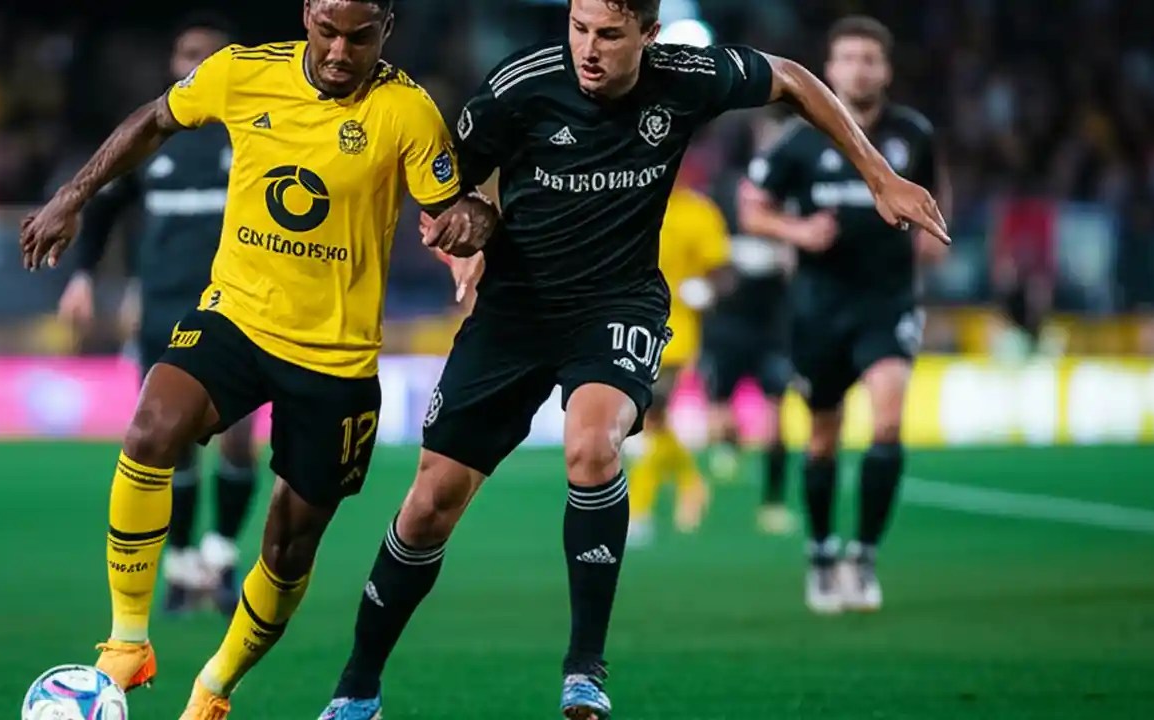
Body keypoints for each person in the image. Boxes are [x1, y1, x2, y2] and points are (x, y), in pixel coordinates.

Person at [319, 1, 947, 718]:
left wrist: (877, 176)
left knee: (592, 447)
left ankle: (584, 668)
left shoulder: (687, 77)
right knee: (430, 504)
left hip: (617, 305)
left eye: (610, 35)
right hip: (515, 314)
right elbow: (453, 186)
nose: (589, 49)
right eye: (579, 29)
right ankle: (358, 687)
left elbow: (795, 79)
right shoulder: (518, 85)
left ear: (648, 36)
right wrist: (468, 229)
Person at [18, 1, 497, 718]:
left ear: (386, 31)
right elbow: (153, 119)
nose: (340, 50)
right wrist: (72, 195)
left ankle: (215, 687)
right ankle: (127, 641)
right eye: (328, 30)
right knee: (153, 424)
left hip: (335, 359)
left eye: (360, 37)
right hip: (237, 317)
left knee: (289, 544)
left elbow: (457, 205)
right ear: (307, 14)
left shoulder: (407, 110)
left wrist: (473, 224)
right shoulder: (242, 74)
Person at [738, 15, 951, 615]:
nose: (858, 69)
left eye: (869, 59)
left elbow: (934, 188)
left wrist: (933, 232)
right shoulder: (802, 141)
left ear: (886, 69)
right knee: (824, 437)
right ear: (827, 70)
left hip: (886, 302)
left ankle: (863, 555)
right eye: (847, 59)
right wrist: (797, 230)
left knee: (887, 423)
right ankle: (822, 552)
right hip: (818, 307)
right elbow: (752, 209)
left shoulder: (913, 134)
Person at [57, 13, 258, 615]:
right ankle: (181, 562)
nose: (193, 65)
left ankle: (220, 555)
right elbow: (103, 209)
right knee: (173, 443)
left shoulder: (251, 135)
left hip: (236, 308)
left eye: (206, 55)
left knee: (240, 439)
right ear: (172, 63)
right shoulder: (153, 138)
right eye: (184, 54)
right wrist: (84, 277)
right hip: (164, 306)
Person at [700, 117, 798, 535]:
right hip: (738, 314)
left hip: (767, 316)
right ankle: (732, 452)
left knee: (773, 410)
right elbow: (714, 250)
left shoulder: (785, 186)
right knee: (729, 408)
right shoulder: (729, 187)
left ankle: (771, 499)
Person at [625, 154, 729, 548]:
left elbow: (722, 270)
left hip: (676, 334)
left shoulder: (699, 214)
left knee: (651, 418)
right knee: (654, 422)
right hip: (631, 327)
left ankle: (640, 509)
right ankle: (691, 482)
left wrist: (706, 290)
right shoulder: (638, 200)